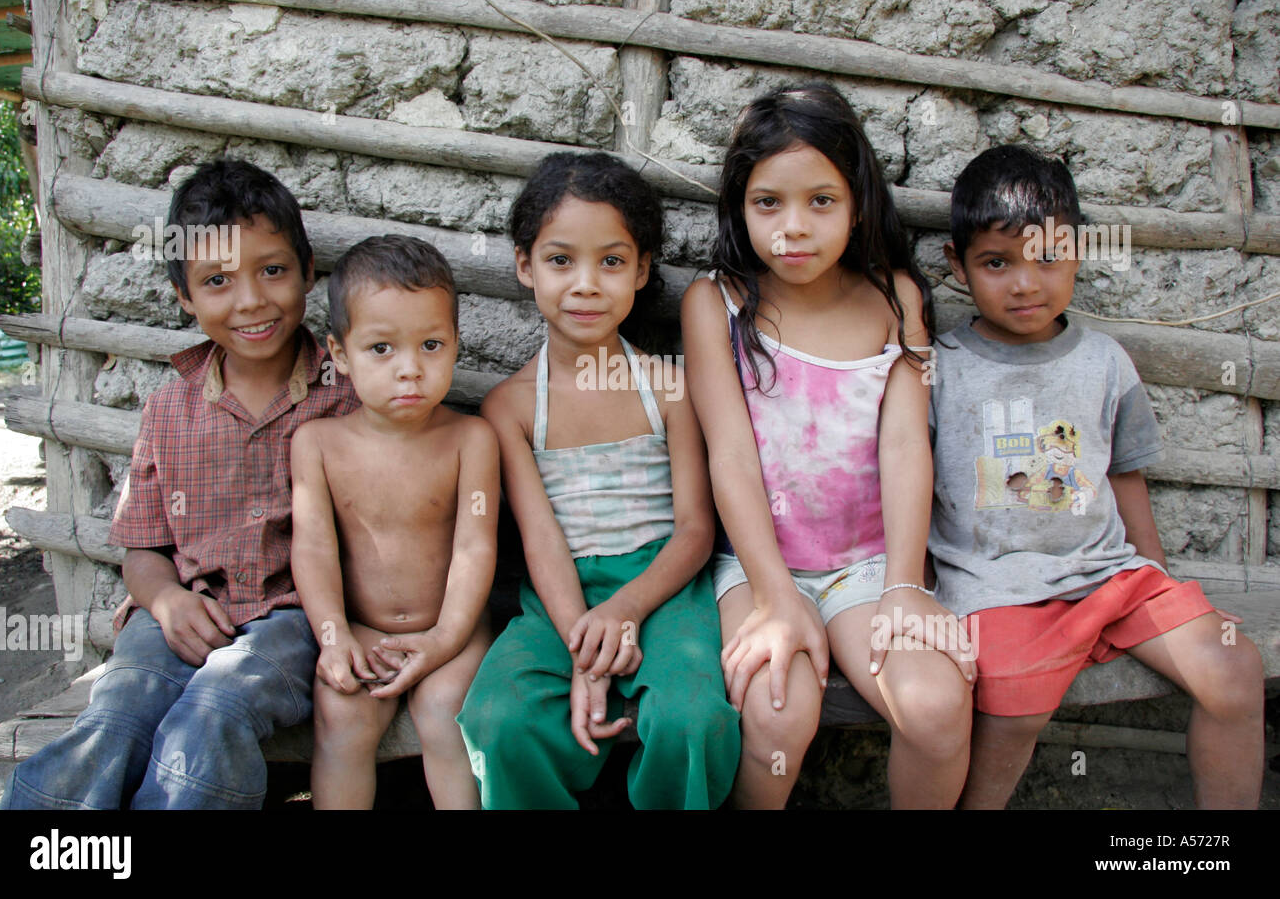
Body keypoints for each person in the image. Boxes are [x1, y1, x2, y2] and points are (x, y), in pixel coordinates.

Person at [4, 159, 362, 809]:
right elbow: (142, 547)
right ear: (185, 297)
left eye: (272, 270)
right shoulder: (169, 410)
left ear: (309, 272)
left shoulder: (349, 397)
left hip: (291, 622)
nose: (251, 299)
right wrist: (165, 599)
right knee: (115, 721)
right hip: (175, 612)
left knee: (210, 719)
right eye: (218, 280)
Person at [931, 143, 1264, 808]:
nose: (1026, 283)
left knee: (1235, 669)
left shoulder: (1106, 362)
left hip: (1111, 574)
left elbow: (1123, 474)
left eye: (1048, 259)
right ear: (959, 268)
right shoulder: (938, 367)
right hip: (997, 586)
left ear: (1080, 253)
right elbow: (909, 486)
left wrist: (1157, 579)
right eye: (997, 263)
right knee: (1012, 713)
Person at [681, 83, 975, 809]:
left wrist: (906, 585)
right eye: (768, 203)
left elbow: (907, 445)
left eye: (822, 200)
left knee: (936, 709)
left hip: (870, 568)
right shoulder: (716, 303)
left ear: (859, 203)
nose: (794, 227)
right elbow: (731, 455)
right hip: (756, 565)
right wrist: (777, 597)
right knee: (778, 715)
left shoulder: (895, 298)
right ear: (739, 206)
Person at [457, 151, 740, 809]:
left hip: (665, 590)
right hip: (558, 595)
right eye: (561, 261)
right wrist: (585, 644)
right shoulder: (511, 407)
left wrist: (627, 608)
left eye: (611, 262)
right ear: (525, 266)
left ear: (641, 270)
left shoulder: (667, 388)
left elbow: (697, 531)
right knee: (498, 720)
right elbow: (541, 539)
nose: (586, 284)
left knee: (691, 717)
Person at [291, 234, 498, 810]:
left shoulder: (470, 439)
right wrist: (333, 635)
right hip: (361, 631)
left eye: (431, 344)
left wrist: (443, 639)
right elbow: (312, 550)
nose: (411, 370)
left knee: (445, 716)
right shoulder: (318, 445)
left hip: (454, 633)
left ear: (456, 345)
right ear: (339, 353)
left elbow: (475, 549)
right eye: (382, 349)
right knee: (342, 715)